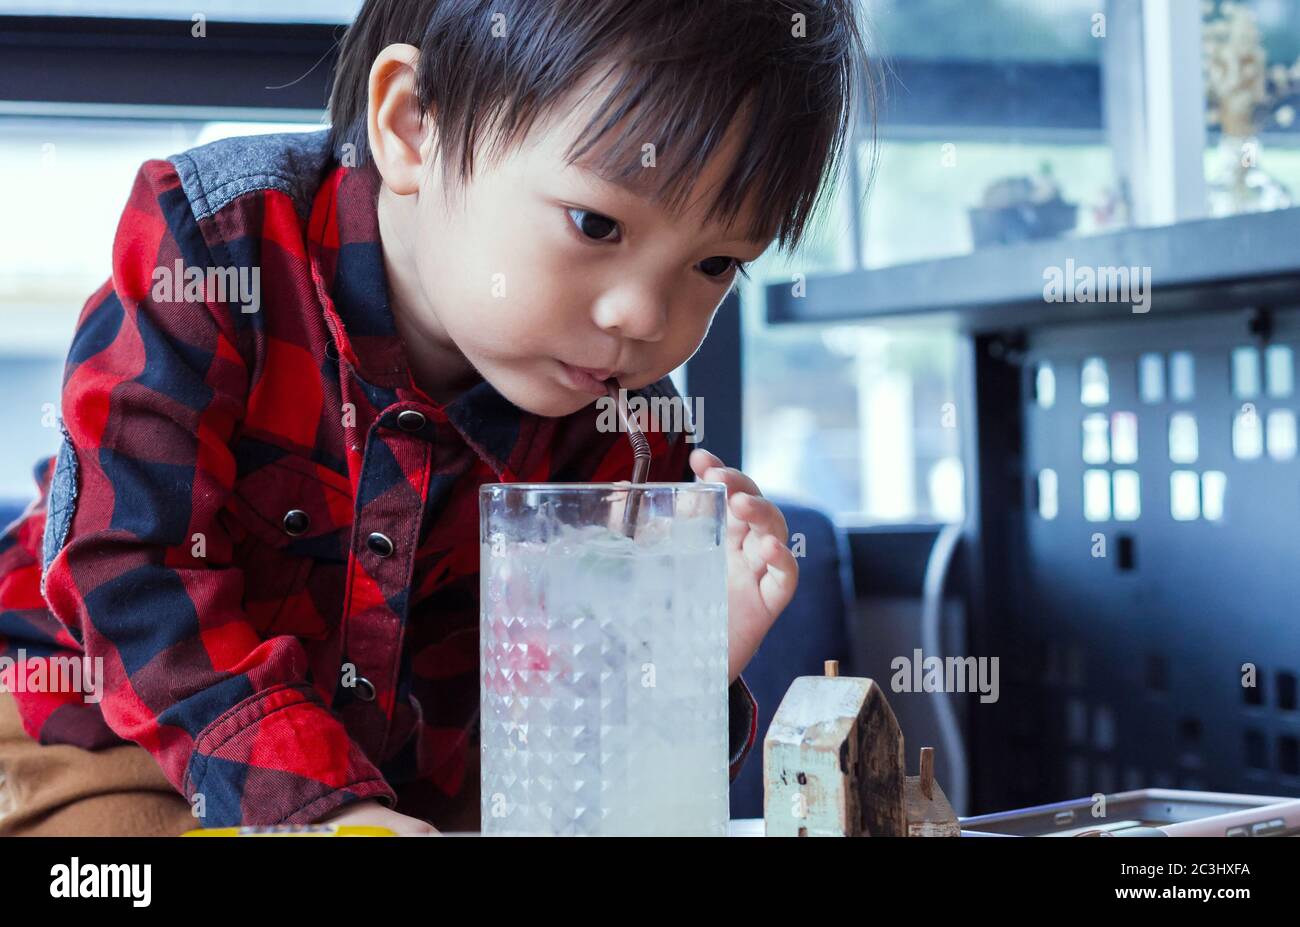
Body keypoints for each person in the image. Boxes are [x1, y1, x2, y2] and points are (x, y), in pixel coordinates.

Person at [0, 0, 870, 835]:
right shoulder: (217, 249)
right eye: (595, 223)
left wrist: (680, 668)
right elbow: (129, 569)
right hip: (103, 737)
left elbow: (581, 772)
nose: (644, 316)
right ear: (413, 125)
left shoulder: (625, 418)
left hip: (418, 791)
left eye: (715, 262)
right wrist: (319, 809)